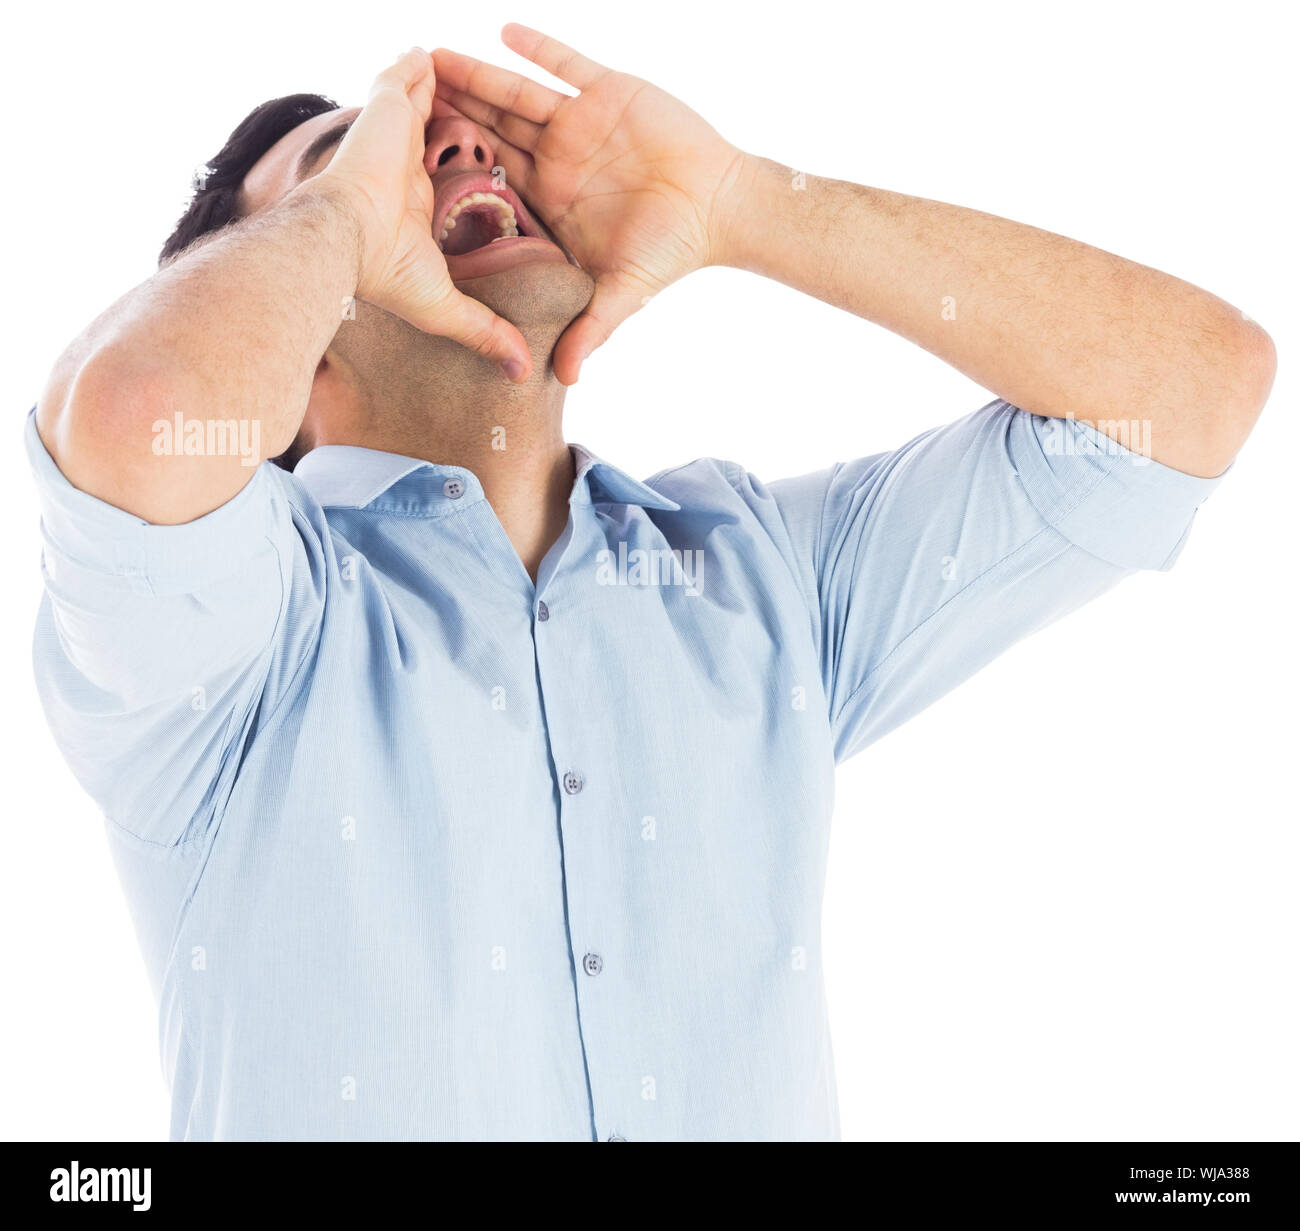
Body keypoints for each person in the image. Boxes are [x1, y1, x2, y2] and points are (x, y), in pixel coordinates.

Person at [27, 26, 1274, 1141]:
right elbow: (140, 414)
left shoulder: (755, 574)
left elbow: (1187, 394)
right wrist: (348, 220)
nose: (451, 147)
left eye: (465, 139)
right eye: (357, 157)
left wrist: (737, 202)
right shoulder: (227, 638)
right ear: (281, 341)